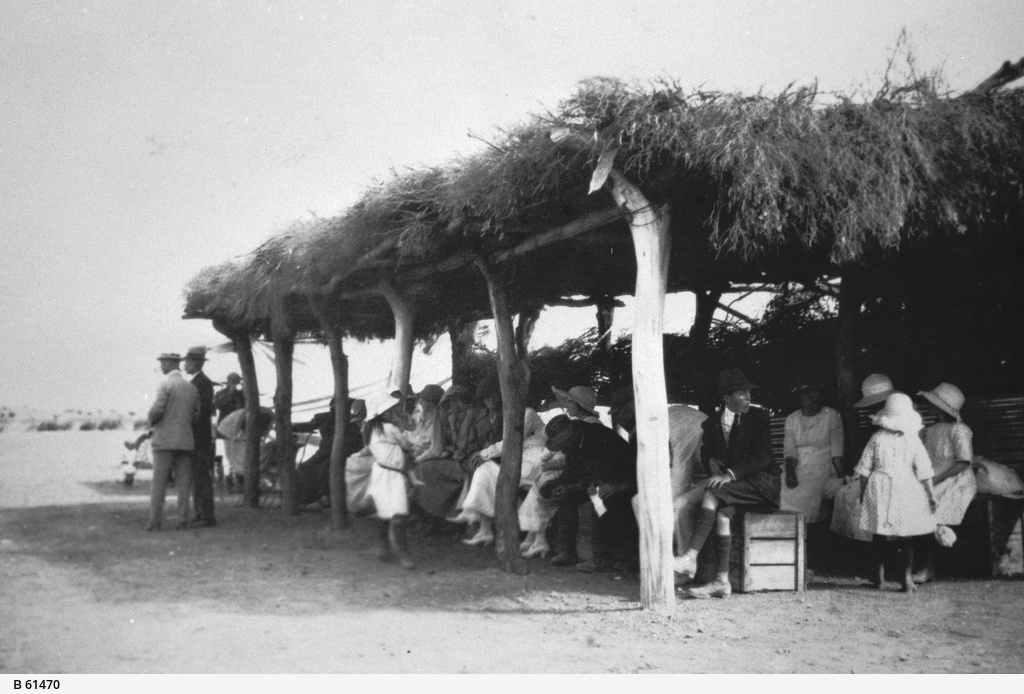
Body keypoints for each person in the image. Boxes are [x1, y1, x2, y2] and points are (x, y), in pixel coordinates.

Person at [680, 369, 779, 599]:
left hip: (762, 485)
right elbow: (706, 451)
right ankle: (721, 582)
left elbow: (762, 456)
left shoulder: (759, 417)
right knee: (723, 517)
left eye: (748, 393)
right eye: (742, 393)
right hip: (736, 490)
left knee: (712, 494)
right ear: (726, 398)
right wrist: (711, 460)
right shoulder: (713, 422)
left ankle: (690, 557)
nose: (748, 397)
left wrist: (730, 475)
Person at [854, 393, 938, 593]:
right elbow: (924, 470)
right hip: (905, 486)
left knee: (879, 532)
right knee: (905, 534)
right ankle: (905, 578)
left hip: (879, 485)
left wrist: (863, 492)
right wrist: (931, 494)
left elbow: (865, 469)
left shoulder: (877, 438)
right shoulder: (913, 439)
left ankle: (879, 576)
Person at [539, 414, 638, 572]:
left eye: (565, 445)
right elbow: (574, 469)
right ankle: (567, 551)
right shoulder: (575, 441)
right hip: (598, 481)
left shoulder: (599, 438)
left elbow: (602, 473)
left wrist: (573, 486)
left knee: (600, 500)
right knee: (567, 497)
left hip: (624, 482)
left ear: (573, 437)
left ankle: (601, 557)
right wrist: (559, 483)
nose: (564, 450)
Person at [452, 405, 547, 547]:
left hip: (533, 464)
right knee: (484, 471)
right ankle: (483, 527)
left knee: (485, 469)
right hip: (521, 462)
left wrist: (485, 453)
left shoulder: (528, 413)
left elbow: (511, 440)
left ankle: (476, 517)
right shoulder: (513, 413)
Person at [913, 382, 977, 584]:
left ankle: (927, 567)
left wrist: (938, 479)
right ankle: (923, 565)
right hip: (933, 475)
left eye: (934, 403)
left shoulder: (960, 429)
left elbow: (964, 461)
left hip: (956, 477)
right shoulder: (931, 430)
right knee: (914, 502)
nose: (931, 407)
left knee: (931, 506)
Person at [414, 380, 502, 521]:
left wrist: (456, 448)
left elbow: (475, 444)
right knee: (425, 469)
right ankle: (431, 515)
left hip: (471, 460)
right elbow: (455, 445)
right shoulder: (454, 417)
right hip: (461, 458)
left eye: (455, 402)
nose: (453, 406)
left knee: (426, 469)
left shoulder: (477, 416)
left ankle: (439, 516)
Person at [830, 373, 897, 542]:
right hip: (882, 468)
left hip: (893, 471)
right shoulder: (881, 419)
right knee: (846, 493)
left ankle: (871, 541)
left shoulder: (895, 417)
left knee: (852, 495)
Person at [147, 352, 200, 531]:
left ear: (171, 364)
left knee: (159, 483)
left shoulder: (165, 384)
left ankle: (155, 521)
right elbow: (196, 416)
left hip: (164, 441)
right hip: (185, 441)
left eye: (162, 363)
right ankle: (183, 520)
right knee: (184, 483)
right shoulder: (192, 388)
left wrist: (151, 421)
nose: (161, 366)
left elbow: (157, 411)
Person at [365, 392, 418, 569]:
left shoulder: (372, 428)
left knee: (384, 511)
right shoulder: (389, 428)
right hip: (392, 474)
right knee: (397, 512)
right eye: (389, 410)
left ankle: (384, 548)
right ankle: (403, 554)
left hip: (381, 472)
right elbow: (407, 445)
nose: (392, 412)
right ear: (382, 412)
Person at [779, 382, 845, 524]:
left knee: (812, 489)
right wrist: (791, 472)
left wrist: (842, 476)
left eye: (814, 392)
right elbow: (790, 450)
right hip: (798, 464)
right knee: (785, 484)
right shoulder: (792, 419)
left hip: (823, 463)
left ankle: (810, 527)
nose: (811, 396)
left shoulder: (831, 415)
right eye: (806, 393)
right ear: (798, 398)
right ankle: (793, 531)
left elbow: (837, 451)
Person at [183, 346, 216, 527]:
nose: (185, 365)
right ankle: (200, 512)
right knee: (196, 476)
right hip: (195, 437)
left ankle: (207, 516)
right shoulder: (196, 382)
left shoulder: (203, 383)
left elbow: (201, 410)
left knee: (202, 476)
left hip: (199, 437)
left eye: (187, 362)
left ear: (196, 363)